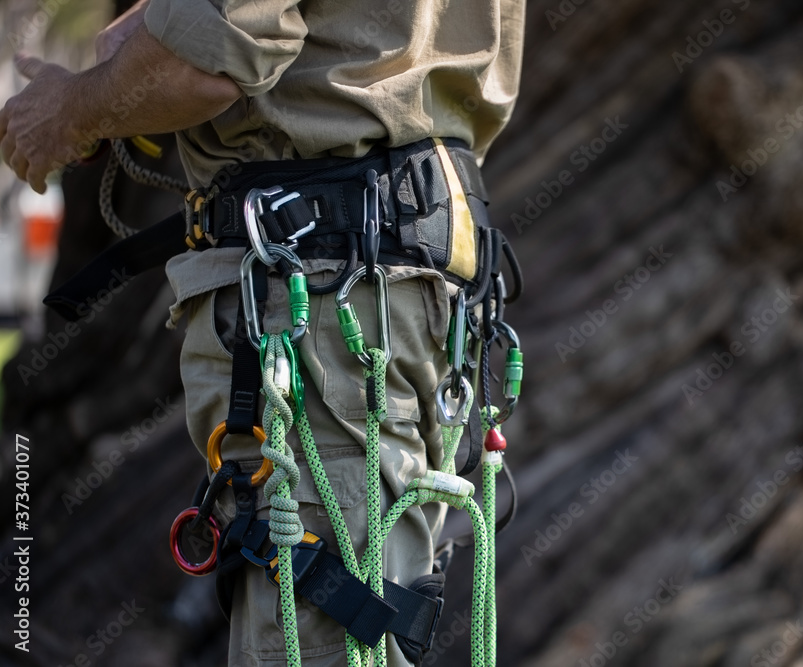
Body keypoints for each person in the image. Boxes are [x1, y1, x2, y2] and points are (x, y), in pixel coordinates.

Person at [0, 0, 525, 664]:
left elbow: (208, 62)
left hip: (328, 298)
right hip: (401, 284)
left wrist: (73, 108)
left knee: (329, 625)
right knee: (361, 616)